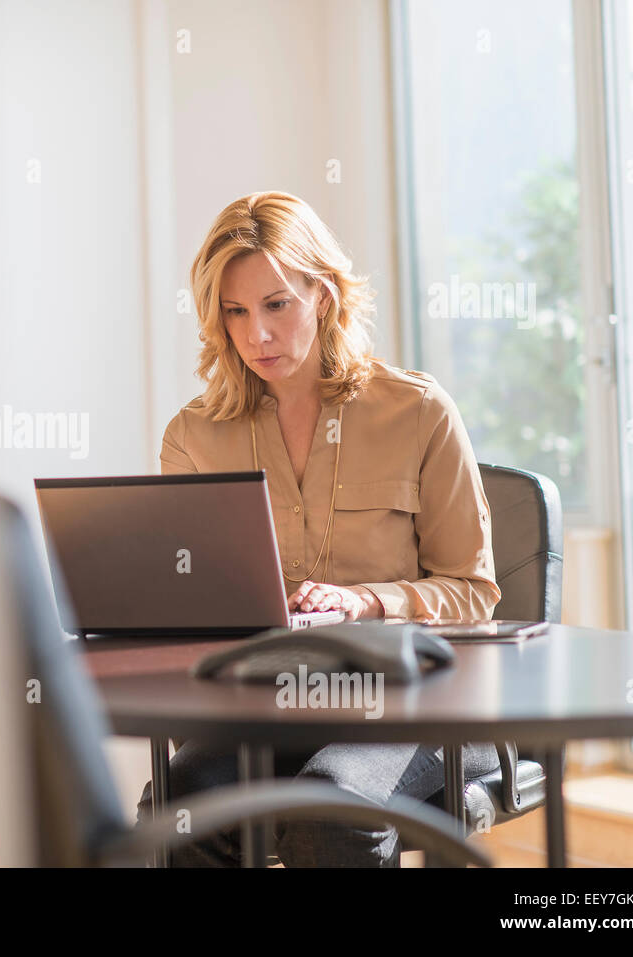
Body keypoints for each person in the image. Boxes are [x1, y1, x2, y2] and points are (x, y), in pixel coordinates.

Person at [136, 191, 503, 867]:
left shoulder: (418, 412)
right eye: (235, 311)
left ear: (324, 294)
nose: (257, 335)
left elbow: (474, 592)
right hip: (273, 701)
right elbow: (187, 602)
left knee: (328, 809)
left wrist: (369, 600)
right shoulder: (193, 437)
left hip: (417, 700)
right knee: (177, 803)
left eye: (277, 304)